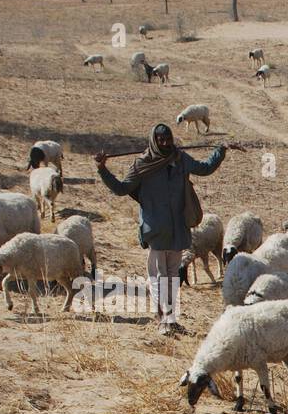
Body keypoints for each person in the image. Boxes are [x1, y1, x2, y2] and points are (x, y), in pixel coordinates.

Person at [94, 124, 227, 336]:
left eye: (168, 139)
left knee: (172, 276)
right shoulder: (142, 164)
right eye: (160, 139)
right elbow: (121, 189)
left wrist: (220, 151)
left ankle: (170, 319)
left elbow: (204, 168)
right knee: (158, 276)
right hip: (155, 230)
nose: (165, 143)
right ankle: (163, 319)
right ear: (154, 140)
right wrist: (102, 169)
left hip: (178, 229)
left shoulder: (180, 159)